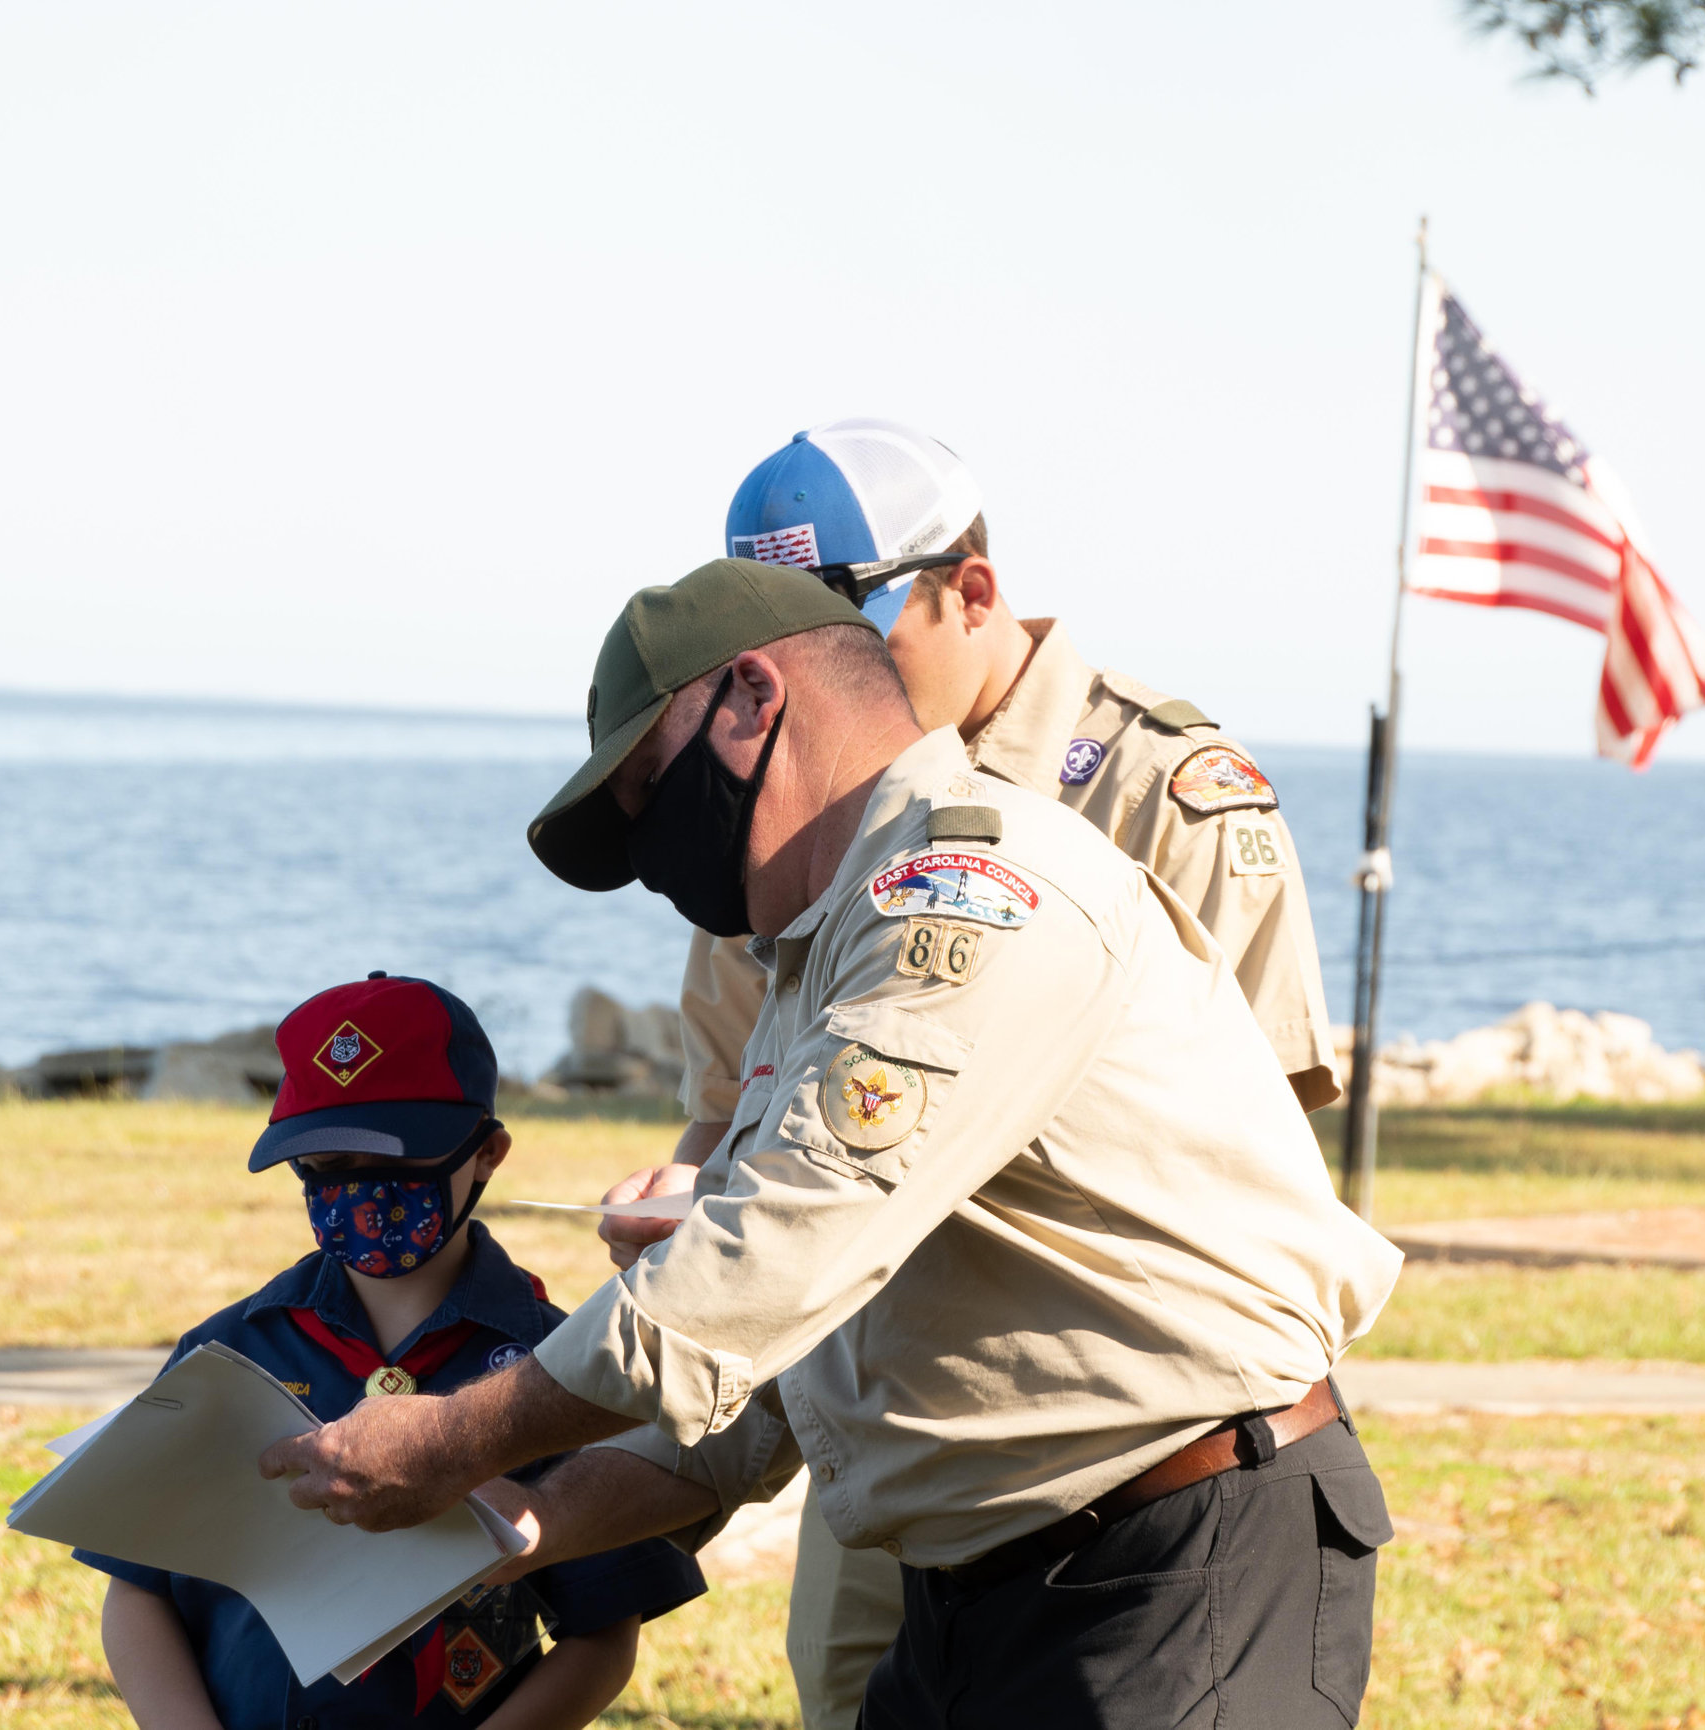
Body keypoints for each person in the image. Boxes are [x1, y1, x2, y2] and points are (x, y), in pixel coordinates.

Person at [257, 561, 1403, 1729]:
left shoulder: (969, 896)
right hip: (989, 1592)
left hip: (1179, 1567)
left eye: (650, 786)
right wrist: (514, 1519)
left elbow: (766, 1260)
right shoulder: (828, 955)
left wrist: (452, 1435)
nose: (651, 849)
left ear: (754, 698)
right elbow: (761, 1376)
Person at [613, 419, 1344, 1729]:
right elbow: (739, 1113)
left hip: (1116, 1451)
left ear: (972, 590)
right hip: (871, 1398)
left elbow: (1240, 1153)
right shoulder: (770, 814)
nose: (807, 680)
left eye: (848, 629)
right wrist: (695, 1201)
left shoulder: (1158, 789)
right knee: (849, 1685)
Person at [82, 971, 705, 1730]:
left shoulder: (565, 1370)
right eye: (328, 1166)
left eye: (399, 1161)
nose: (364, 1193)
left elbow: (603, 1632)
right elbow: (138, 1586)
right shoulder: (225, 1352)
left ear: (487, 1153)